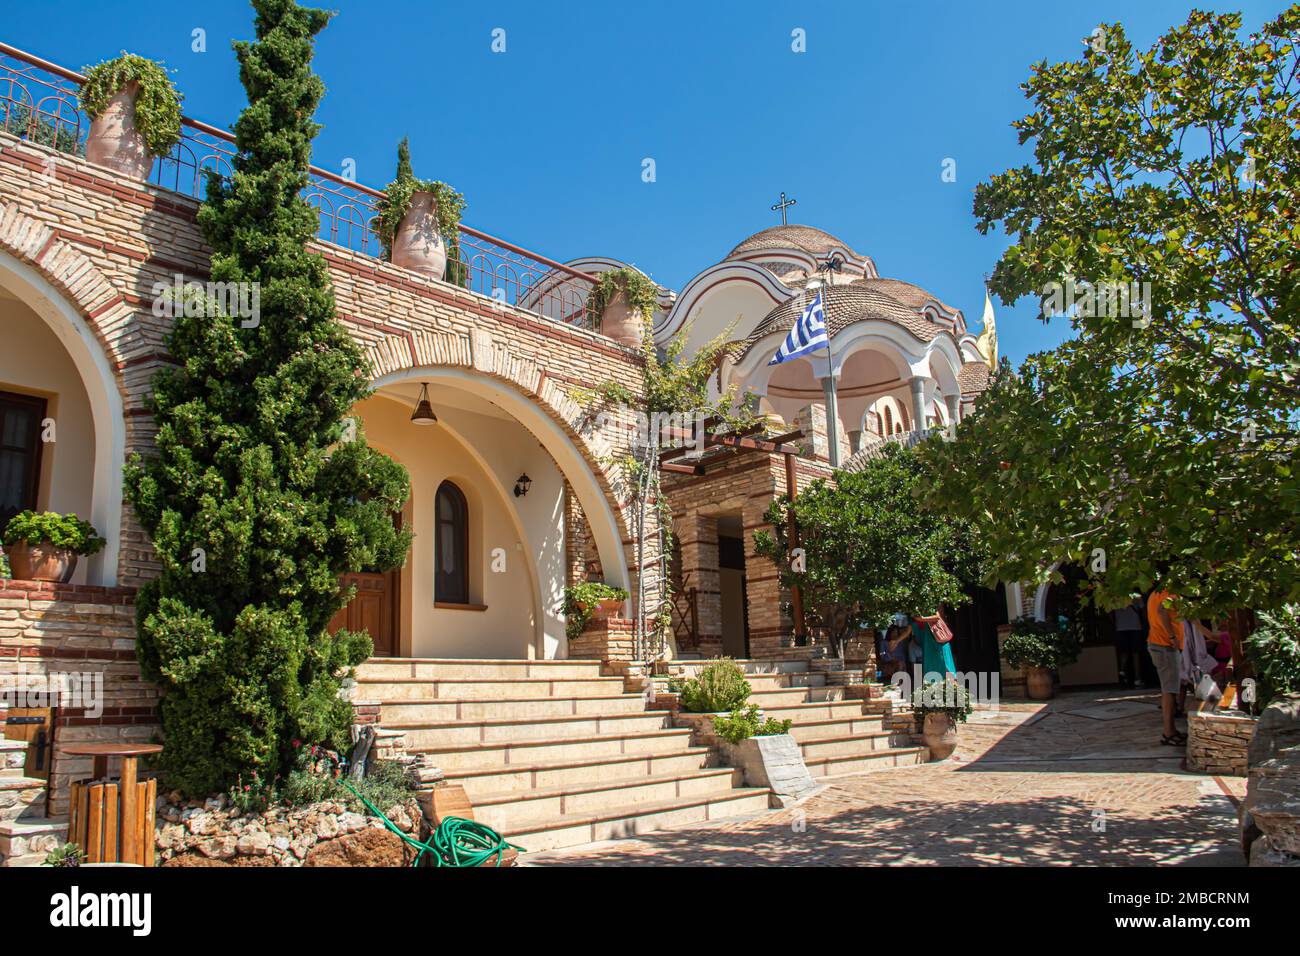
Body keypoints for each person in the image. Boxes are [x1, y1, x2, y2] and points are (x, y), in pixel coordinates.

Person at [1147, 590, 1186, 745]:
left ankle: (1171, 730)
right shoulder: (1171, 594)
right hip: (1165, 646)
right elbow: (1162, 611)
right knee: (1169, 690)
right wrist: (1172, 637)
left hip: (1159, 644)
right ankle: (1169, 732)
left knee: (1169, 689)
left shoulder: (1155, 594)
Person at [1113, 597, 1146, 689]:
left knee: (1124, 653)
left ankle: (1123, 673)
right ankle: (1137, 679)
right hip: (1135, 626)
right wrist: (1144, 624)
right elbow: (1143, 612)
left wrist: (1115, 623)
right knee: (1136, 653)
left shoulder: (1115, 596)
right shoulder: (1136, 597)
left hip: (1121, 627)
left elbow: (1110, 612)